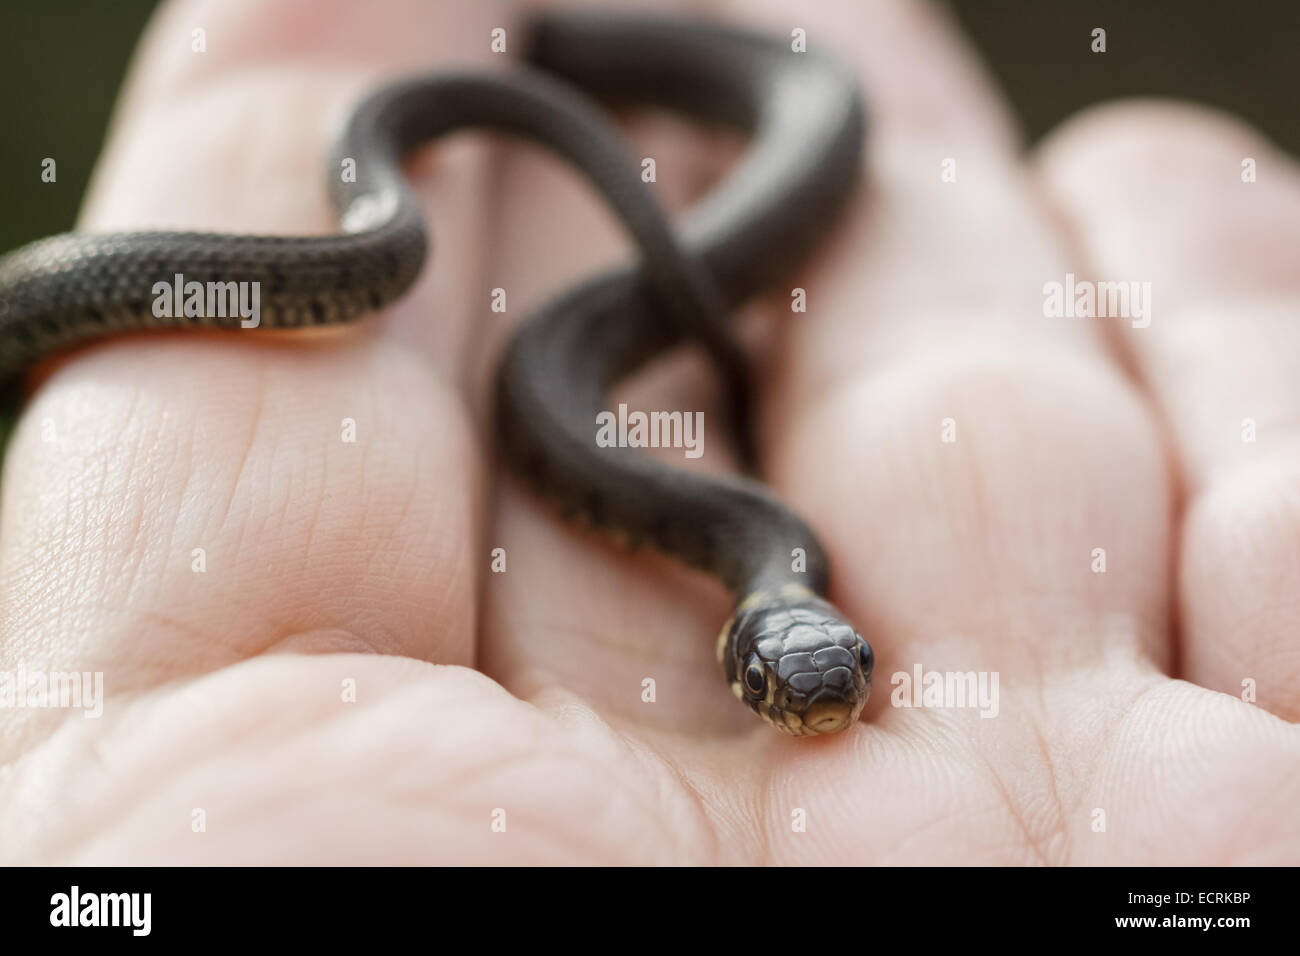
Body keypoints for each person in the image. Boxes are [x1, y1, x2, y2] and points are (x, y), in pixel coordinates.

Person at [1, 0, 1296, 864]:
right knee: (385, 242)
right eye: (803, 686)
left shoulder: (769, 559)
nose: (816, 708)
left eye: (818, 687)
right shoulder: (752, 548)